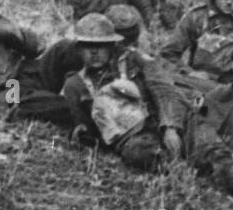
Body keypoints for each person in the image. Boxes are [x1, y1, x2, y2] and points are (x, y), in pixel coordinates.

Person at [61, 14, 186, 171]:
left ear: (111, 45)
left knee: (201, 139)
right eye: (87, 45)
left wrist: (170, 127)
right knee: (139, 153)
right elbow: (87, 127)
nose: (94, 52)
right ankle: (171, 169)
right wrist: (82, 133)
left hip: (161, 120)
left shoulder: (134, 59)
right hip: (133, 138)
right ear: (78, 48)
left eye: (100, 45)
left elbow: (163, 89)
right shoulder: (75, 85)